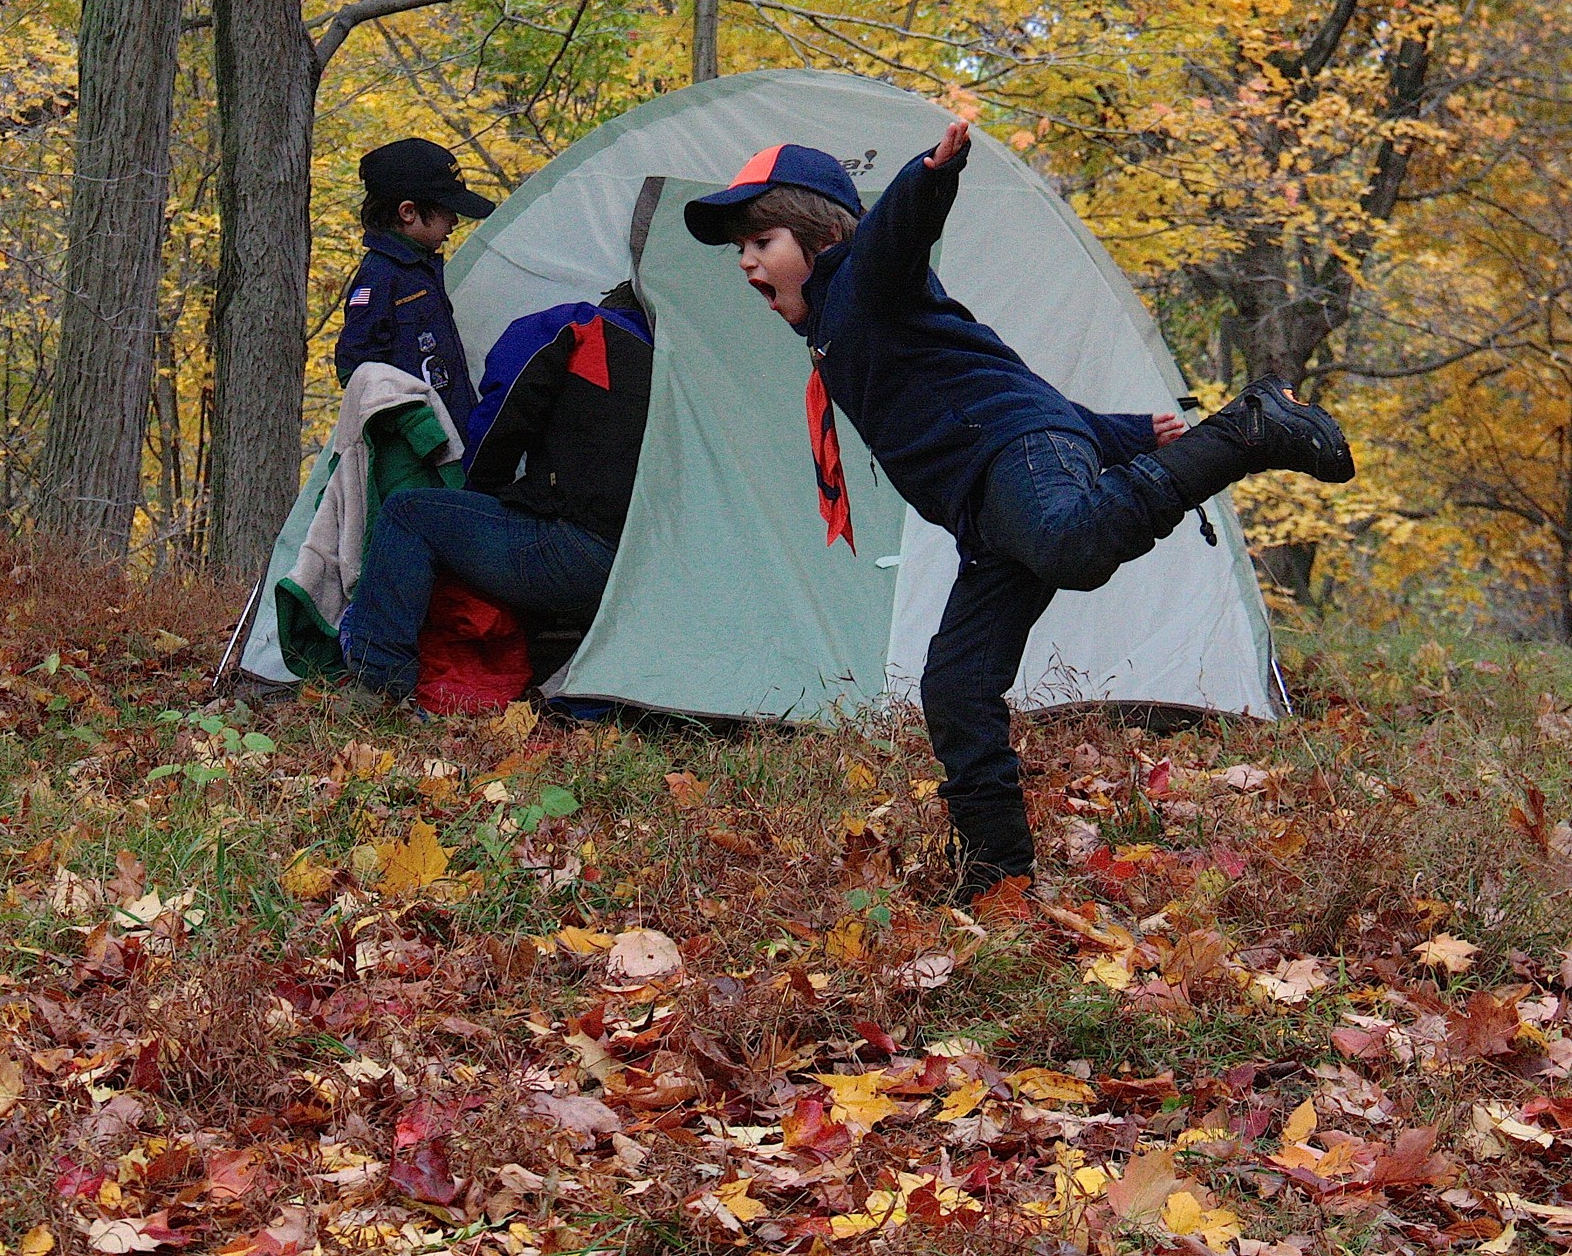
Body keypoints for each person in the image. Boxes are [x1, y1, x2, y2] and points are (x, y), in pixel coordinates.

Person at [685, 127, 1354, 900]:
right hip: (992, 497)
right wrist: (1124, 432)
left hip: (1012, 460)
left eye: (760, 240)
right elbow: (1005, 379)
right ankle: (996, 875)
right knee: (956, 684)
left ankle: (1248, 426)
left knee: (1068, 541)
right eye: (738, 247)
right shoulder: (838, 327)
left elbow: (895, 236)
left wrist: (927, 174)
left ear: (823, 231)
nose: (744, 261)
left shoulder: (861, 281)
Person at [341, 282, 653, 702]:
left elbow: (502, 420)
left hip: (580, 553)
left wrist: (477, 492)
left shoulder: (581, 326)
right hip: (650, 575)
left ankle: (377, 683)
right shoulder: (687, 365)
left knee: (409, 512)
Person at [336, 136, 495, 435]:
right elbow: (356, 370)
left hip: (455, 436)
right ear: (407, 212)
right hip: (421, 454)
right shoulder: (380, 277)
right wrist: (419, 433)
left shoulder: (422, 270)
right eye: (446, 210)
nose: (454, 221)